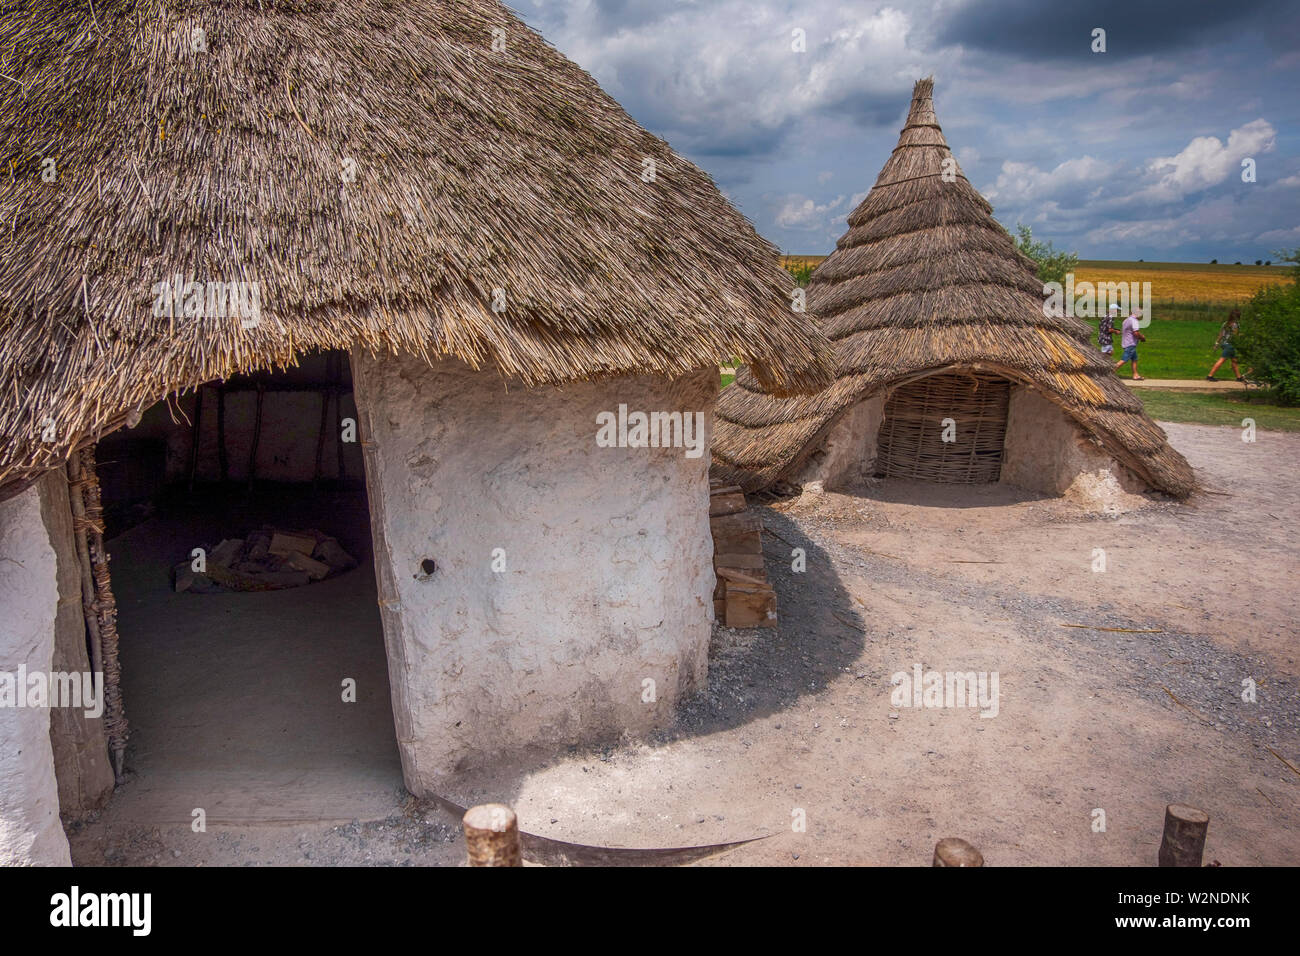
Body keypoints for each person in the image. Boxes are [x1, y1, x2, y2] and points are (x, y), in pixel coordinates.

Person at [1207, 309, 1244, 382]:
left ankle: (1239, 377)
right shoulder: (1235, 325)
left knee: (1234, 361)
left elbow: (1221, 334)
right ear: (1238, 316)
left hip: (1224, 343)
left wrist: (1216, 343)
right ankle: (1210, 375)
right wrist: (1242, 335)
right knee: (1222, 360)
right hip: (1230, 345)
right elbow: (1235, 336)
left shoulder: (1225, 323)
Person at [1114, 307, 1147, 380]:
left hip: (1126, 342)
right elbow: (1136, 333)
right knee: (1124, 359)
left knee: (1134, 359)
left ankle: (1135, 375)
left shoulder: (1126, 320)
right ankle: (1110, 371)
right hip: (1130, 343)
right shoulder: (1134, 321)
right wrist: (1142, 338)